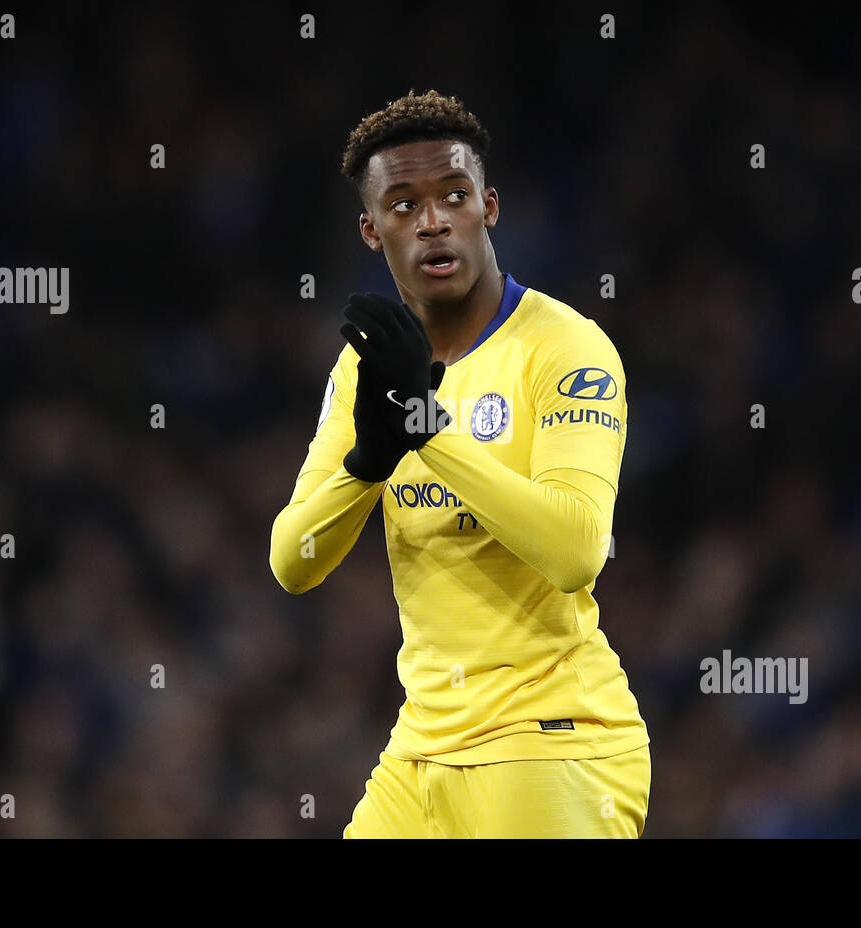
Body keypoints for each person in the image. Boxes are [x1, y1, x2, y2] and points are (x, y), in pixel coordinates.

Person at [270, 89, 649, 838]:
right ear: (372, 231)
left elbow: (576, 551)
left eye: (454, 195)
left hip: (552, 740)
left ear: (490, 208)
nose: (434, 219)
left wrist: (427, 432)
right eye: (404, 206)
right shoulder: (363, 369)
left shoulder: (566, 348)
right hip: (422, 753)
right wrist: (366, 464)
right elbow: (293, 562)